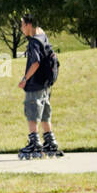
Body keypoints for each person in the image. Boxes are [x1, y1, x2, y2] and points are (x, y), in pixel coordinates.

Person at [17, 15, 64, 158]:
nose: (21, 28)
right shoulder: (42, 36)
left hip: (35, 84)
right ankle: (50, 142)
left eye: (22, 25)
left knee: (32, 113)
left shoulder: (33, 43)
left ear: (29, 25)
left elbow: (35, 62)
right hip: (45, 84)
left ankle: (34, 144)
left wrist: (25, 78)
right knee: (45, 113)